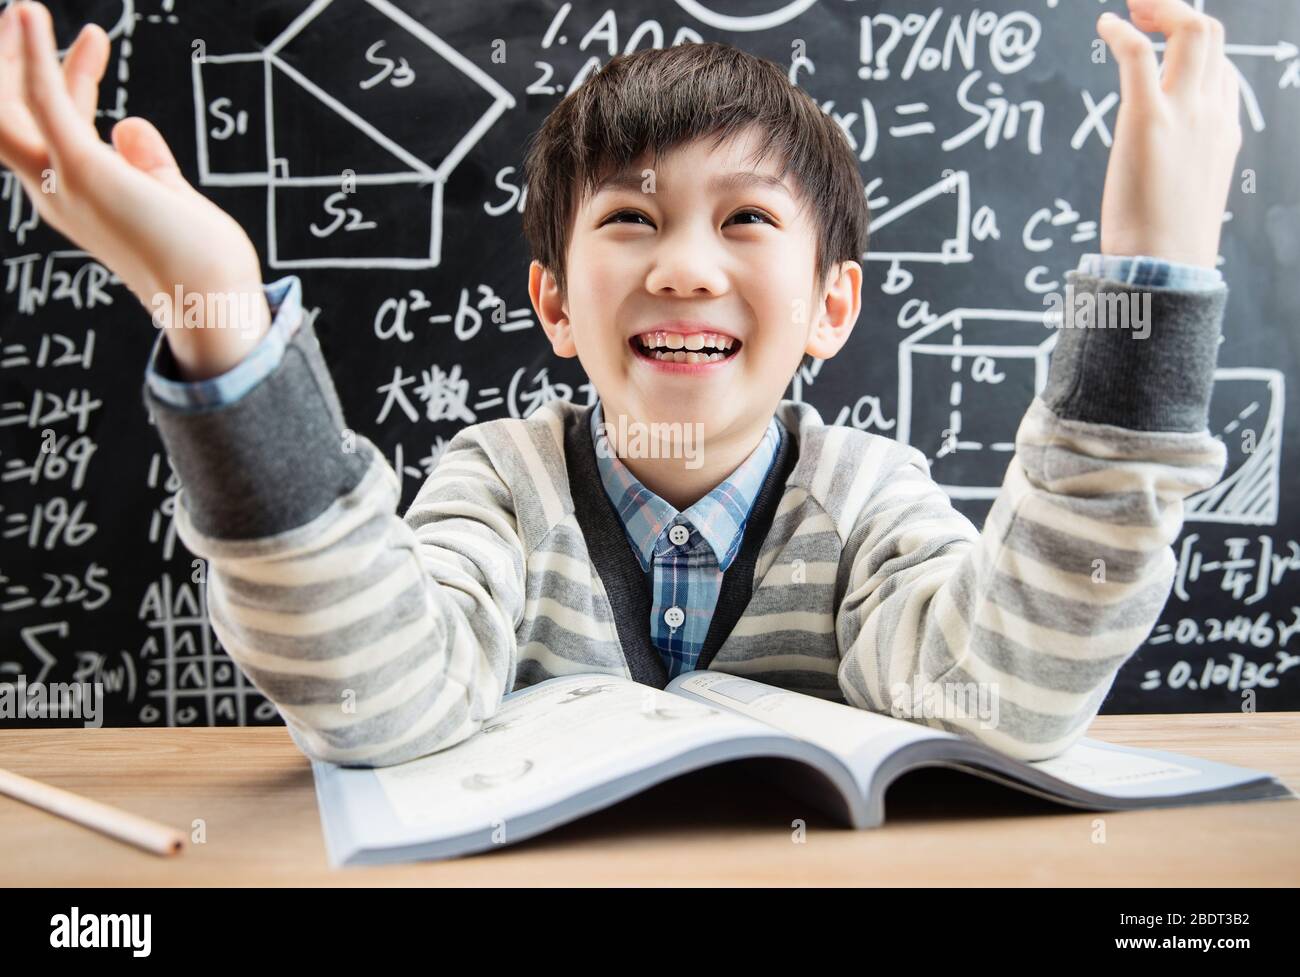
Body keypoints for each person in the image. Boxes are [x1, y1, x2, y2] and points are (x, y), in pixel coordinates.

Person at [0, 0, 1239, 766]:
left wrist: (1154, 278)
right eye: (632, 220)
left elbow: (1008, 699)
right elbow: (371, 698)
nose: (687, 267)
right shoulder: (498, 487)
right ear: (552, 304)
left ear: (831, 309)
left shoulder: (871, 502)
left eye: (746, 217)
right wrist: (215, 310)